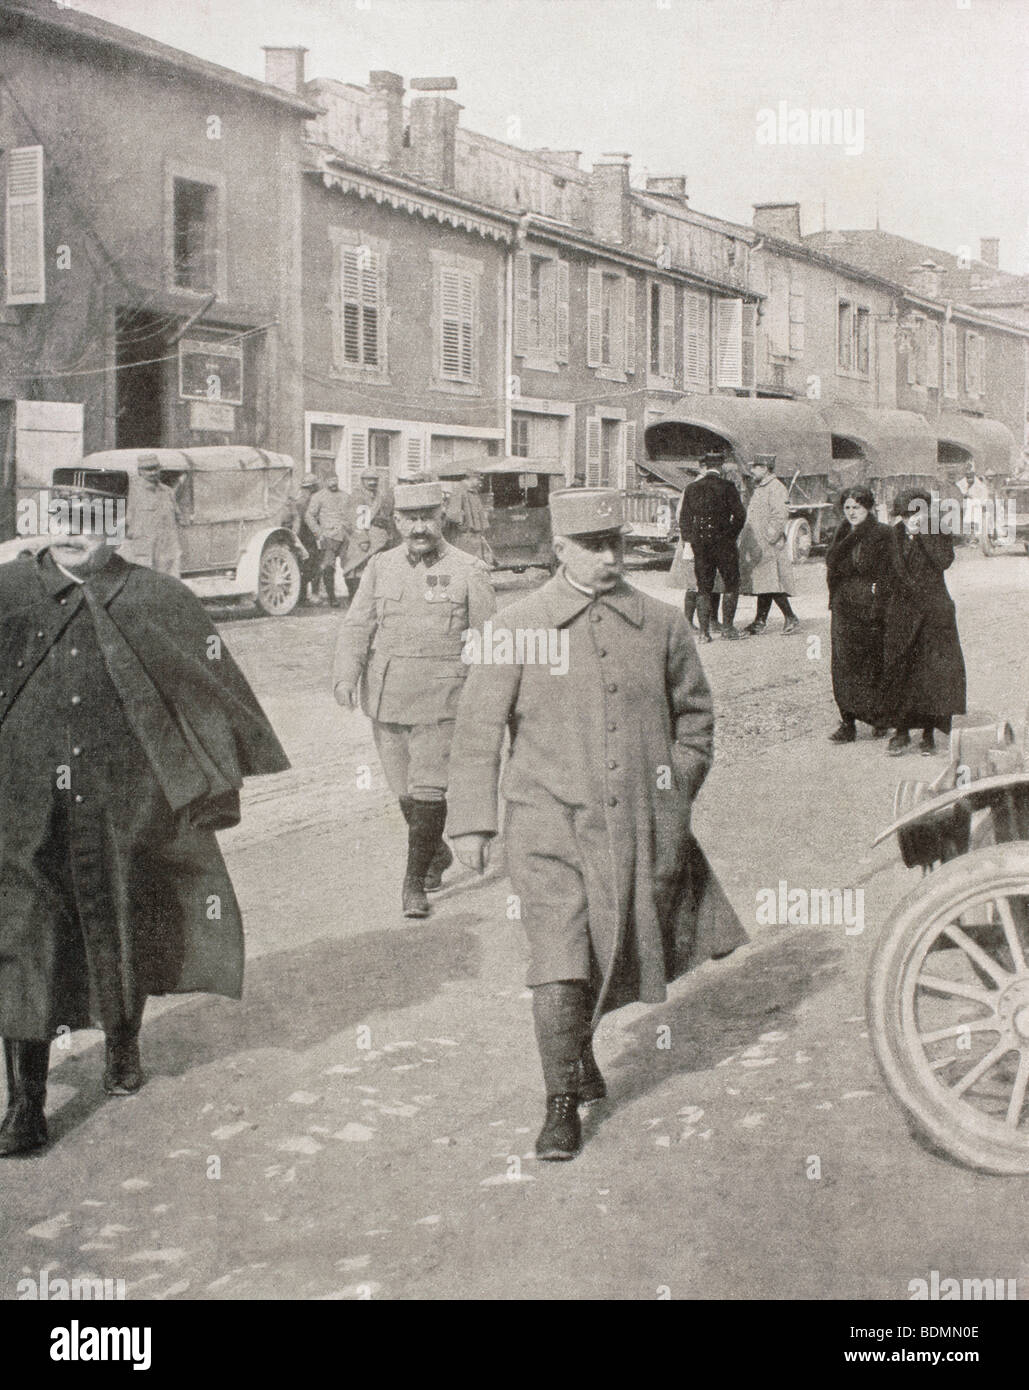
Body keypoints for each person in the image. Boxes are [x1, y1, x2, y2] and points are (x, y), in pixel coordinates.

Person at [445, 487, 747, 1161]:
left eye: (614, 543)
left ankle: (577, 1054)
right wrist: (470, 824)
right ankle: (559, 1102)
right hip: (543, 826)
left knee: (614, 946)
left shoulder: (663, 624)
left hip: (637, 823)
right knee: (557, 958)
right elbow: (476, 733)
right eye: (591, 546)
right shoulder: (515, 626)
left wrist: (672, 785)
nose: (608, 558)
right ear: (560, 550)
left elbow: (695, 720)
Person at [0, 468, 289, 1157]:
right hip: (20, 802)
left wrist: (208, 787)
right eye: (62, 513)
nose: (74, 531)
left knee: (123, 916)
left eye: (91, 517)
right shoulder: (6, 592)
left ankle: (122, 1041)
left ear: (119, 526)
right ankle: (26, 1104)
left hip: (124, 801)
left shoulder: (159, 597)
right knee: (23, 933)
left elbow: (209, 694)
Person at [332, 481, 496, 917]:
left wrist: (483, 696)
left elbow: (486, 640)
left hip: (442, 699)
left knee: (427, 789)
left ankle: (413, 885)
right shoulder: (379, 567)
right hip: (387, 698)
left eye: (428, 517)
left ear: (441, 518)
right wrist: (346, 676)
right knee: (403, 792)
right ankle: (435, 854)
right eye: (411, 518)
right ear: (398, 521)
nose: (420, 527)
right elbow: (357, 626)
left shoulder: (469, 570)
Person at [880, 488, 967, 757]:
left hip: (933, 613)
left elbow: (943, 561)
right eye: (905, 516)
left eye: (916, 514)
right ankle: (901, 731)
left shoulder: (938, 531)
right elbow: (887, 574)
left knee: (932, 674)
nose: (910, 520)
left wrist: (923, 535)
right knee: (900, 670)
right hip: (902, 613)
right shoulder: (892, 536)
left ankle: (929, 733)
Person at [824, 486, 893, 743]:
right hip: (843, 605)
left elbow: (888, 572)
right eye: (848, 508)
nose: (852, 513)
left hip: (869, 605)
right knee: (842, 663)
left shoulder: (883, 534)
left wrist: (880, 598)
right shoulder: (841, 532)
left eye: (858, 507)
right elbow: (832, 566)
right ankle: (848, 721)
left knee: (873, 661)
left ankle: (879, 717)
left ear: (869, 508)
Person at [677, 452, 747, 641]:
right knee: (731, 584)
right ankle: (727, 629)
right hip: (724, 544)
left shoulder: (692, 488)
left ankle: (703, 633)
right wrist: (730, 535)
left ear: (705, 466)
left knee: (703, 587)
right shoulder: (728, 487)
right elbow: (740, 516)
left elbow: (684, 519)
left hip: (701, 545)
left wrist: (690, 540)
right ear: (722, 466)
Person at [739, 454, 800, 635]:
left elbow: (780, 515)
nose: (752, 470)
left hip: (768, 545)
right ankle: (760, 621)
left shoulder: (775, 488)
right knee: (764, 583)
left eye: (756, 467)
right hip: (759, 544)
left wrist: (769, 538)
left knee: (772, 583)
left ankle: (790, 617)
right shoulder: (762, 487)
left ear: (765, 468)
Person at [120, 453, 182, 577]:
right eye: (148, 469)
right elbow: (121, 523)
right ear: (140, 471)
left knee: (168, 586)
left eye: (155, 468)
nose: (153, 473)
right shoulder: (130, 493)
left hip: (166, 552)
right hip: (142, 552)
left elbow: (177, 518)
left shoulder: (168, 492)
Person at [340, 467, 395, 600]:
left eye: (375, 479)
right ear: (362, 481)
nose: (372, 483)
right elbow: (357, 520)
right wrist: (362, 539)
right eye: (369, 480)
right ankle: (354, 598)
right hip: (362, 536)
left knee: (375, 569)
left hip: (378, 537)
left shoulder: (378, 495)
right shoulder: (357, 496)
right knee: (356, 567)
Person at [306, 473, 352, 608]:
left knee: (350, 566)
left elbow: (352, 514)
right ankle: (332, 598)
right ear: (324, 481)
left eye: (335, 480)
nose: (333, 483)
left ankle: (353, 596)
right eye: (330, 480)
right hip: (328, 536)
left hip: (345, 536)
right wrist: (318, 533)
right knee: (328, 566)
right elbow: (309, 516)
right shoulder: (318, 497)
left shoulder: (345, 496)